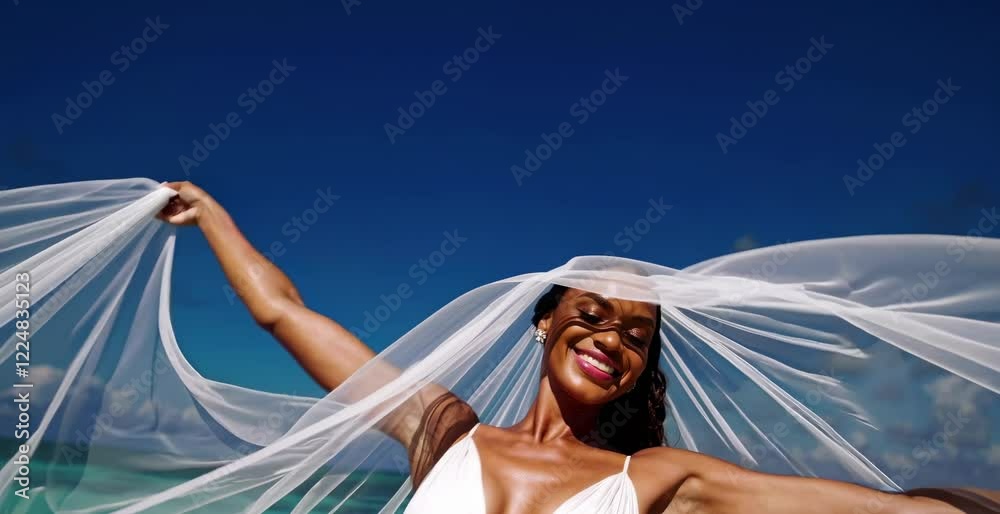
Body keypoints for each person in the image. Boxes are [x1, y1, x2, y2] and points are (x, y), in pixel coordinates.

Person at [158, 181, 1000, 514]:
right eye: (593, 314)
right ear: (543, 322)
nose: (613, 339)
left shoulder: (660, 481)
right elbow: (284, 313)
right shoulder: (442, 428)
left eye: (637, 334)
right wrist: (209, 216)